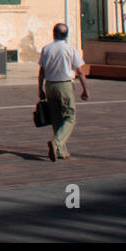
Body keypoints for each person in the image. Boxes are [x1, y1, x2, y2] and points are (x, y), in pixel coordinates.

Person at [38, 23, 91, 161]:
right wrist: (86, 89)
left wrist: (40, 88)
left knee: (56, 118)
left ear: (53, 33)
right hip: (64, 85)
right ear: (66, 35)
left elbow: (41, 72)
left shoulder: (46, 49)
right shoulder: (70, 49)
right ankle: (57, 142)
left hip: (50, 85)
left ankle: (61, 151)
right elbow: (80, 72)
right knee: (70, 117)